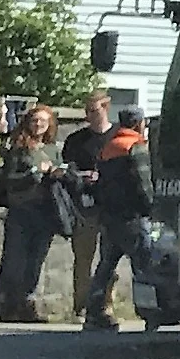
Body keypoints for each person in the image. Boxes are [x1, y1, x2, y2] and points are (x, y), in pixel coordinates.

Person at [0, 104, 65, 322]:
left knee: (35, 261)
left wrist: (59, 173)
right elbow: (10, 179)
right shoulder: (19, 147)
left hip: (46, 212)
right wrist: (33, 173)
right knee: (13, 259)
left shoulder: (53, 149)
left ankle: (26, 304)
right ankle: (0, 304)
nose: (38, 124)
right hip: (21, 211)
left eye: (43, 121)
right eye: (35, 120)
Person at [84, 104, 154, 332]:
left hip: (109, 218)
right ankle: (151, 312)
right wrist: (151, 209)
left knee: (105, 267)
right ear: (138, 123)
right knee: (145, 267)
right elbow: (144, 185)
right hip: (133, 218)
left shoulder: (109, 147)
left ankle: (95, 313)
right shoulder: (136, 146)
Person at [62, 91, 114, 317]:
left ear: (106, 108)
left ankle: (105, 304)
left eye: (94, 110)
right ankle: (81, 306)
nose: (90, 116)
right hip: (85, 206)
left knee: (109, 258)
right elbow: (65, 169)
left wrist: (103, 177)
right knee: (83, 258)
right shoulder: (76, 140)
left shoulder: (117, 137)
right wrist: (81, 176)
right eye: (87, 112)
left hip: (112, 206)